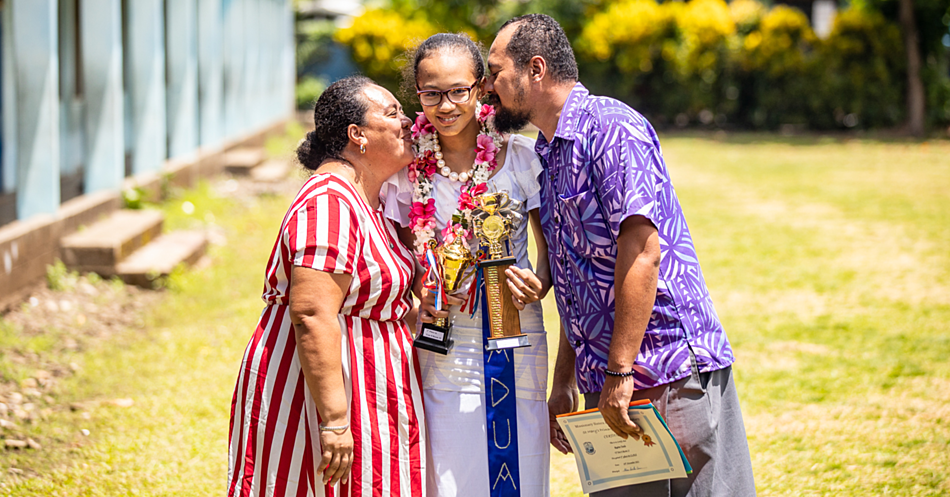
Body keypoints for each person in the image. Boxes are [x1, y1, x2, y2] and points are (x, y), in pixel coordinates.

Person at [486, 14, 757, 497]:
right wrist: (565, 378)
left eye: (495, 71)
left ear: (536, 69)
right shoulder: (549, 153)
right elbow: (576, 277)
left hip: (666, 371)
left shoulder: (611, 127)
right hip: (609, 378)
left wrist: (620, 372)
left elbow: (643, 254)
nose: (488, 86)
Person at [227, 76, 427, 497]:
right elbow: (312, 313)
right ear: (357, 135)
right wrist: (335, 419)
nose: (408, 121)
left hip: (370, 384)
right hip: (324, 390)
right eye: (392, 113)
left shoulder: (368, 200)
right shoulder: (330, 202)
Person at [381, 33, 552, 497]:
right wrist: (424, 292)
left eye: (459, 90)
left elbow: (547, 250)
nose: (446, 105)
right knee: (448, 469)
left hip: (514, 336)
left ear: (481, 88)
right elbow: (401, 256)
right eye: (431, 94)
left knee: (518, 458)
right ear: (417, 94)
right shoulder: (407, 171)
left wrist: (537, 282)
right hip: (441, 343)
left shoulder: (520, 157)